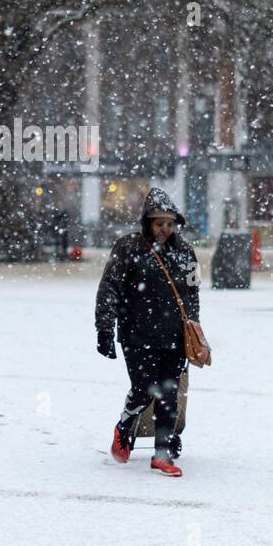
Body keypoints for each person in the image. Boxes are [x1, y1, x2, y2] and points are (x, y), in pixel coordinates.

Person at [95, 187, 200, 477]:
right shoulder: (128, 248)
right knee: (142, 390)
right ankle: (125, 425)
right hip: (137, 336)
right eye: (158, 223)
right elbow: (109, 289)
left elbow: (192, 294)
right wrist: (105, 328)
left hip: (175, 338)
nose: (164, 229)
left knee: (168, 395)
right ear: (147, 223)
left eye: (169, 224)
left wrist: (193, 328)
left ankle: (162, 455)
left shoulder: (186, 252)